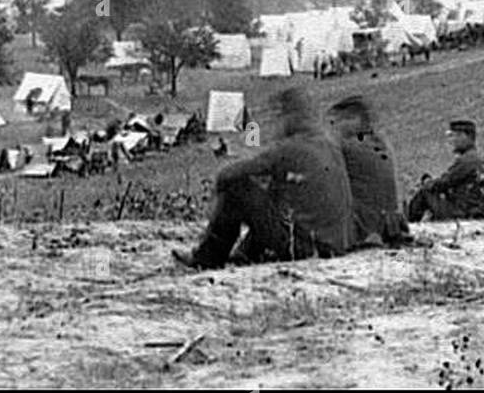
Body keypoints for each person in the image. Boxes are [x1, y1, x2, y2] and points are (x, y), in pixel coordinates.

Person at [173, 87, 353, 269]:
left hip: (306, 247)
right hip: (332, 243)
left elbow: (229, 174)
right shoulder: (328, 145)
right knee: (273, 197)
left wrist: (217, 197)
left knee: (238, 188)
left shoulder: (292, 148)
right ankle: (247, 252)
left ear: (291, 116)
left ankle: (207, 258)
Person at [326, 95, 412, 247]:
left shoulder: (347, 146)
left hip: (365, 224)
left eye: (337, 121)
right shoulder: (380, 142)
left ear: (355, 120)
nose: (333, 127)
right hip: (391, 223)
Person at [406, 120, 484, 221]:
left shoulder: (467, 161)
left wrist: (428, 182)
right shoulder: (483, 159)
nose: (453, 141)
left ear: (466, 136)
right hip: (482, 210)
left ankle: (409, 227)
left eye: (456, 136)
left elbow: (444, 183)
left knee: (424, 192)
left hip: (465, 212)